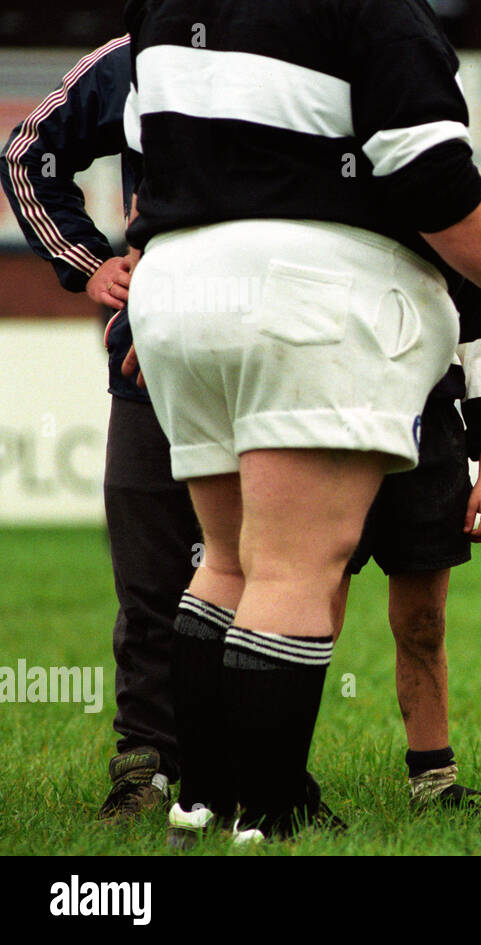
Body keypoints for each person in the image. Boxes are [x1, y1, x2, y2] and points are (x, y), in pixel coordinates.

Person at [123, 0, 481, 843]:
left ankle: (198, 805)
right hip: (307, 288)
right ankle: (267, 819)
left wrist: (166, 278)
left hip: (175, 283)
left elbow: (152, 156)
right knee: (290, 568)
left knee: (228, 560)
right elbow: (427, 167)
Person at [1, 34, 200, 822]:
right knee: (151, 581)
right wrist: (90, 263)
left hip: (268, 354)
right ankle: (145, 766)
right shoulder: (132, 55)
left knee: (271, 570)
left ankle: (253, 772)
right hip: (148, 361)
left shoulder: (310, 39)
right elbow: (26, 152)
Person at [338, 274, 481, 811]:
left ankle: (433, 781)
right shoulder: (337, 207)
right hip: (332, 426)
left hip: (430, 436)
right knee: (308, 614)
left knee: (423, 623)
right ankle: (274, 782)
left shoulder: (463, 234)